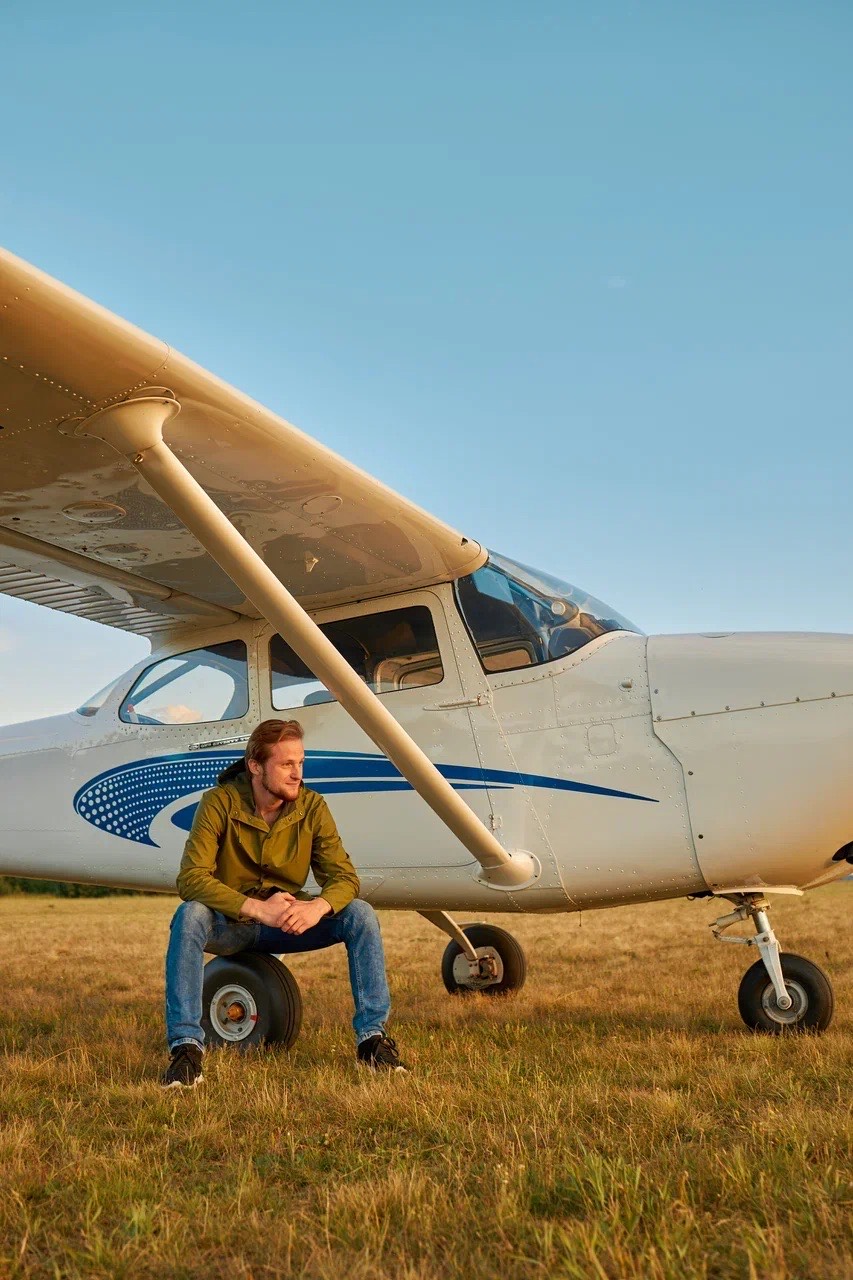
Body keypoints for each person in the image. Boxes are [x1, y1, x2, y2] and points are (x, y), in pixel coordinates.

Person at [162, 717, 407, 1086]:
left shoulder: (313, 806)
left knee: (360, 914)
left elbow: (345, 878)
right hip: (233, 924)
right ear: (255, 766)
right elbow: (191, 879)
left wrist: (317, 907)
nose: (297, 774)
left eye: (301, 763)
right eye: (286, 764)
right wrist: (258, 909)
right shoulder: (218, 802)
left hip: (288, 925)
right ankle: (186, 1049)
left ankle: (372, 1041)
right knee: (190, 914)